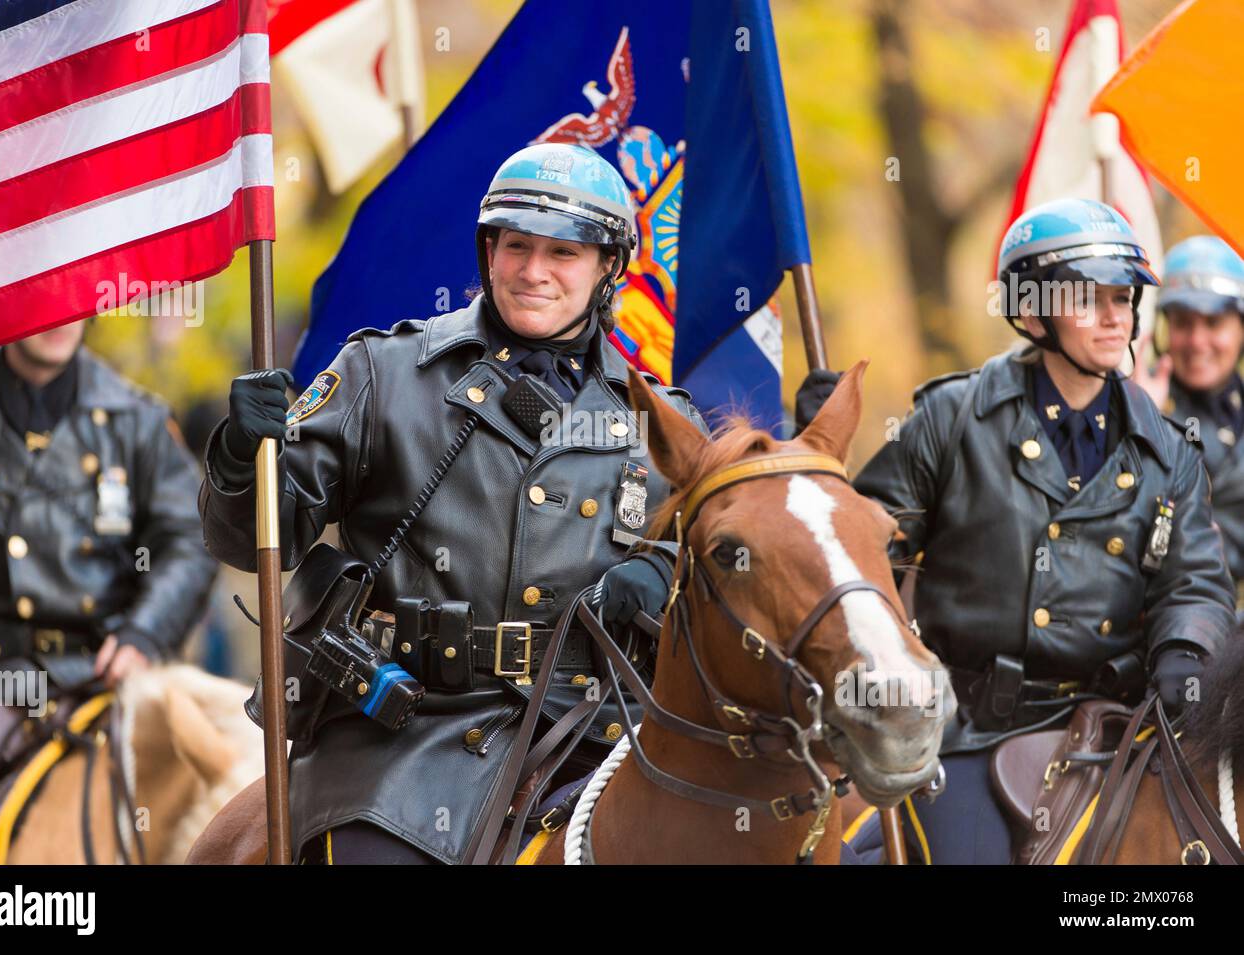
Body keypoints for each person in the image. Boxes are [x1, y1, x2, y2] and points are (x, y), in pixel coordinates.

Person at [198, 143, 707, 864]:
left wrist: (665, 568)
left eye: (563, 252)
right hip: (401, 739)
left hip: (586, 735)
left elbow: (723, 567)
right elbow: (255, 537)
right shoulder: (384, 371)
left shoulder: (661, 418)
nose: (533, 272)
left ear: (606, 270)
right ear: (488, 250)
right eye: (517, 246)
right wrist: (238, 456)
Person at [797, 198, 1235, 863]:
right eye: (1091, 298)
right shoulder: (950, 416)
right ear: (1032, 310)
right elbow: (861, 552)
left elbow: (1196, 582)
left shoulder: (1171, 449)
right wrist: (815, 463)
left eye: (1124, 295)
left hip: (1118, 726)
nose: (1117, 315)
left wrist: (1187, 649)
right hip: (967, 729)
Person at [0, 320, 217, 860]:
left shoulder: (136, 418)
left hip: (105, 675)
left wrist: (146, 632)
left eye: (76, 300)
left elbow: (190, 537)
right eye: (45, 298)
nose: (60, 320)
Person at [1134, 235, 1244, 602]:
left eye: (1213, 323)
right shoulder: (1133, 404)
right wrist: (1137, 425)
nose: (1197, 342)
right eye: (1183, 323)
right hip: (1158, 622)